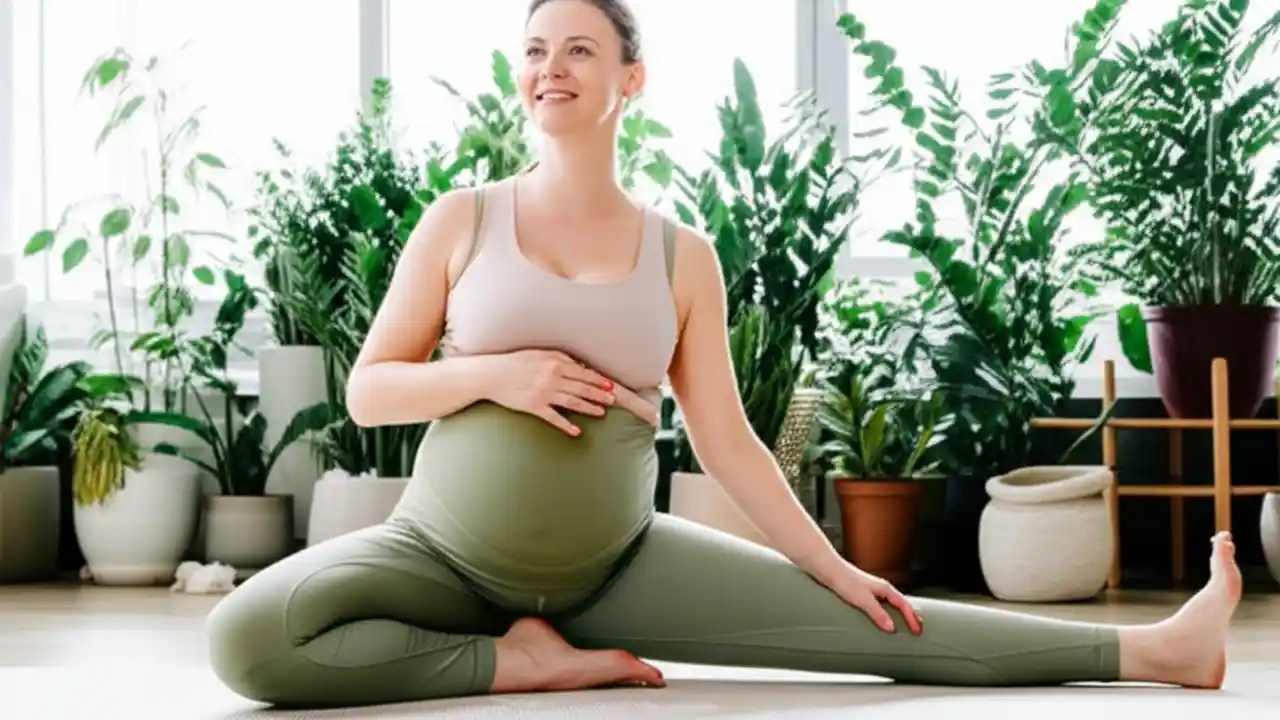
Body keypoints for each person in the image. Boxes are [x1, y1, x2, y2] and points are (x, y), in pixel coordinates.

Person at [205, 0, 1241, 709]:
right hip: (439, 553)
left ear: (628, 79)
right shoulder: (460, 220)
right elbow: (371, 391)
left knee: (888, 630)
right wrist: (494, 374)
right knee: (246, 641)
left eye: (575, 49)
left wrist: (829, 564)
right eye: (532, 49)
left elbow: (728, 439)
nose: (547, 68)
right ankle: (513, 664)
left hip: (617, 564)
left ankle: (1159, 649)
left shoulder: (680, 254)